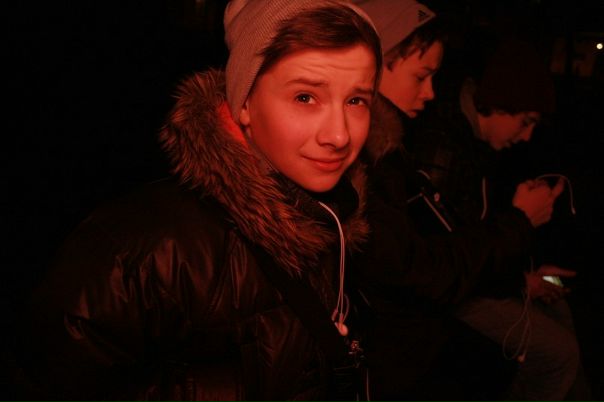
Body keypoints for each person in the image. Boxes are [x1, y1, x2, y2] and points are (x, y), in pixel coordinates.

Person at [14, 1, 382, 401]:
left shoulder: (330, 216)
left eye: (356, 101)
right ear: (244, 103)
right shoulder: (144, 250)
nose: (339, 135)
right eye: (305, 97)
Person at [350, 1, 569, 400]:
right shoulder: (388, 158)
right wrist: (520, 225)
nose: (431, 93)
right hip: (406, 350)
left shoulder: (396, 150)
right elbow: (428, 269)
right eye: (422, 76)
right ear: (373, 68)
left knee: (561, 320)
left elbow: (451, 244)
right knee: (558, 356)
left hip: (423, 333)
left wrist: (522, 266)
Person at [405, 36, 592, 401]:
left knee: (560, 305)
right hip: (457, 294)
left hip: (479, 277)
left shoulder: (472, 140)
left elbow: (478, 233)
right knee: (559, 355)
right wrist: (521, 271)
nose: (528, 136)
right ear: (498, 104)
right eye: (526, 121)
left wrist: (528, 272)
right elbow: (447, 263)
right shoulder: (442, 149)